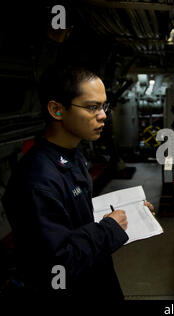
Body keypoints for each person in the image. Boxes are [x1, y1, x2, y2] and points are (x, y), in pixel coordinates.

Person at [2, 65, 155, 299]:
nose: (103, 115)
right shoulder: (38, 180)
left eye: (103, 106)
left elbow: (75, 220)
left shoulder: (73, 155)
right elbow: (57, 265)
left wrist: (132, 214)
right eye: (92, 107)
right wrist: (109, 229)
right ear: (57, 110)